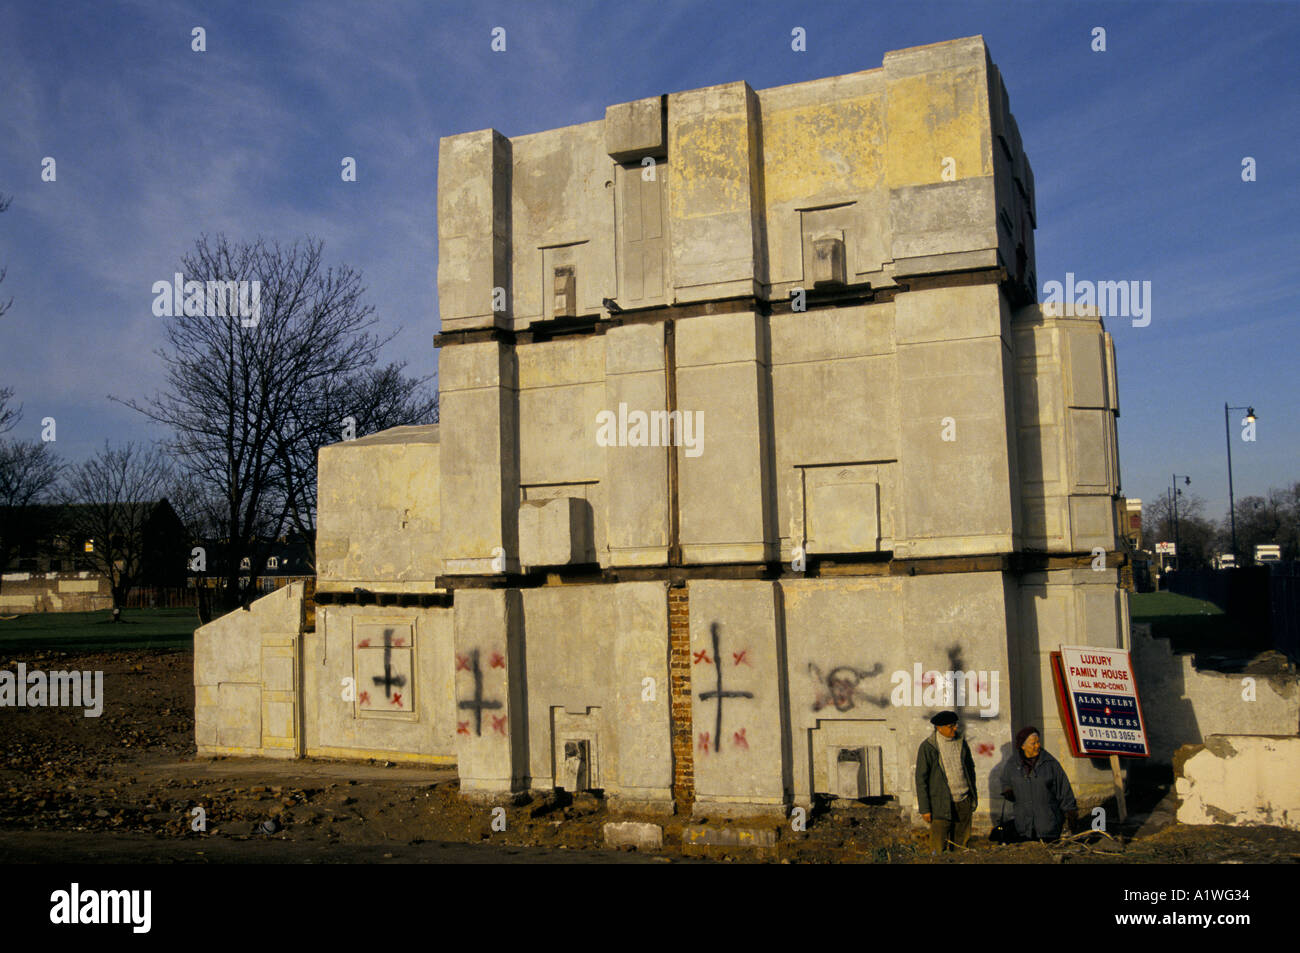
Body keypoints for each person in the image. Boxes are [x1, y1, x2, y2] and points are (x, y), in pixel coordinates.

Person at [915, 710, 977, 853]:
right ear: (939, 728)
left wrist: (973, 796)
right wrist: (925, 809)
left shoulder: (961, 743)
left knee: (961, 847)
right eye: (951, 726)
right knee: (938, 848)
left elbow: (970, 770)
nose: (955, 728)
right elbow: (921, 779)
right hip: (940, 805)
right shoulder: (928, 747)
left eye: (955, 725)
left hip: (963, 802)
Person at [1000, 726, 1077, 841]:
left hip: (1048, 827)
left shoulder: (1050, 763)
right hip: (1024, 827)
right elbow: (1005, 781)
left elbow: (1064, 789)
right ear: (1023, 746)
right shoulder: (1012, 764)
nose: (1037, 746)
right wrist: (1008, 790)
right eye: (1033, 743)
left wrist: (1071, 813)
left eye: (1038, 742)